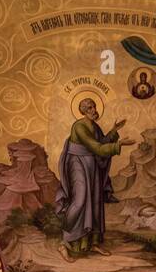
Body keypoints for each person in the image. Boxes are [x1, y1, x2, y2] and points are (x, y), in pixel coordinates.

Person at [55, 96, 134, 259]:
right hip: (77, 164)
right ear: (83, 111)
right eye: (89, 108)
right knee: (80, 200)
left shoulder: (95, 126)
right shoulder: (79, 126)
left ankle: (92, 243)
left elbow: (102, 142)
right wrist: (119, 145)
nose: (93, 110)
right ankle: (64, 243)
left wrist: (113, 131)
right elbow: (96, 147)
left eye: (94, 107)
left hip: (91, 165)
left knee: (95, 201)